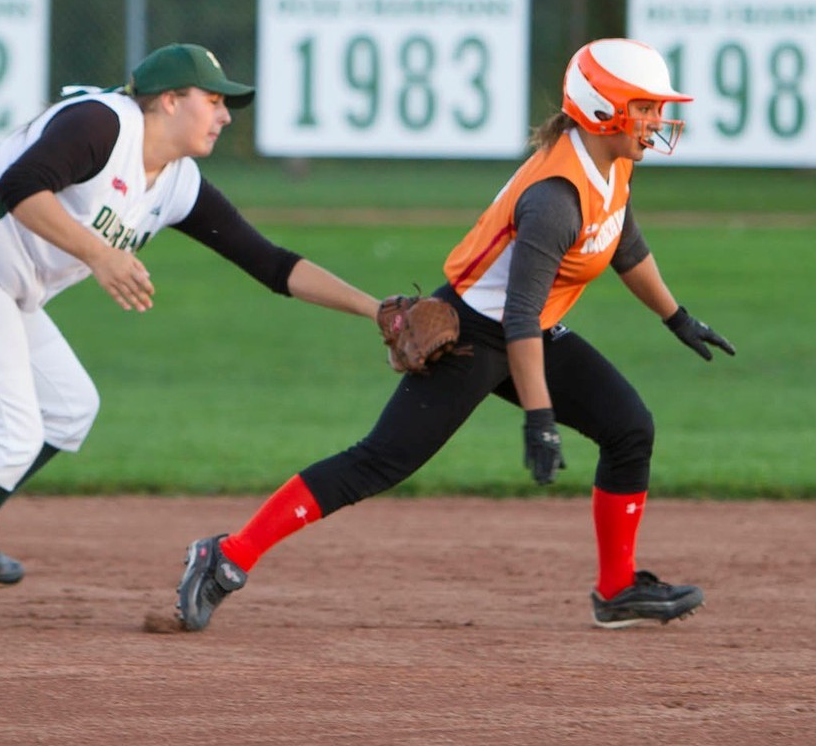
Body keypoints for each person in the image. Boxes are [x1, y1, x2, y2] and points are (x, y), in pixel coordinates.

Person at [174, 38, 736, 632]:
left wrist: (676, 316)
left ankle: (617, 588)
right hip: (472, 332)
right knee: (379, 461)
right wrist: (540, 418)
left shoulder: (612, 163)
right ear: (602, 110)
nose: (655, 120)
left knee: (629, 427)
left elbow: (623, 242)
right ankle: (227, 555)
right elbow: (518, 316)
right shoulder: (554, 198)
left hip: (528, 329)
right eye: (643, 107)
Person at [0, 43, 381, 624]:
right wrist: (101, 255)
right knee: (9, 434)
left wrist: (376, 310)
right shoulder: (103, 124)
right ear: (169, 100)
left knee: (68, 408)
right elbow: (19, 188)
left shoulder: (177, 182)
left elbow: (271, 263)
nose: (225, 116)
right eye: (213, 100)